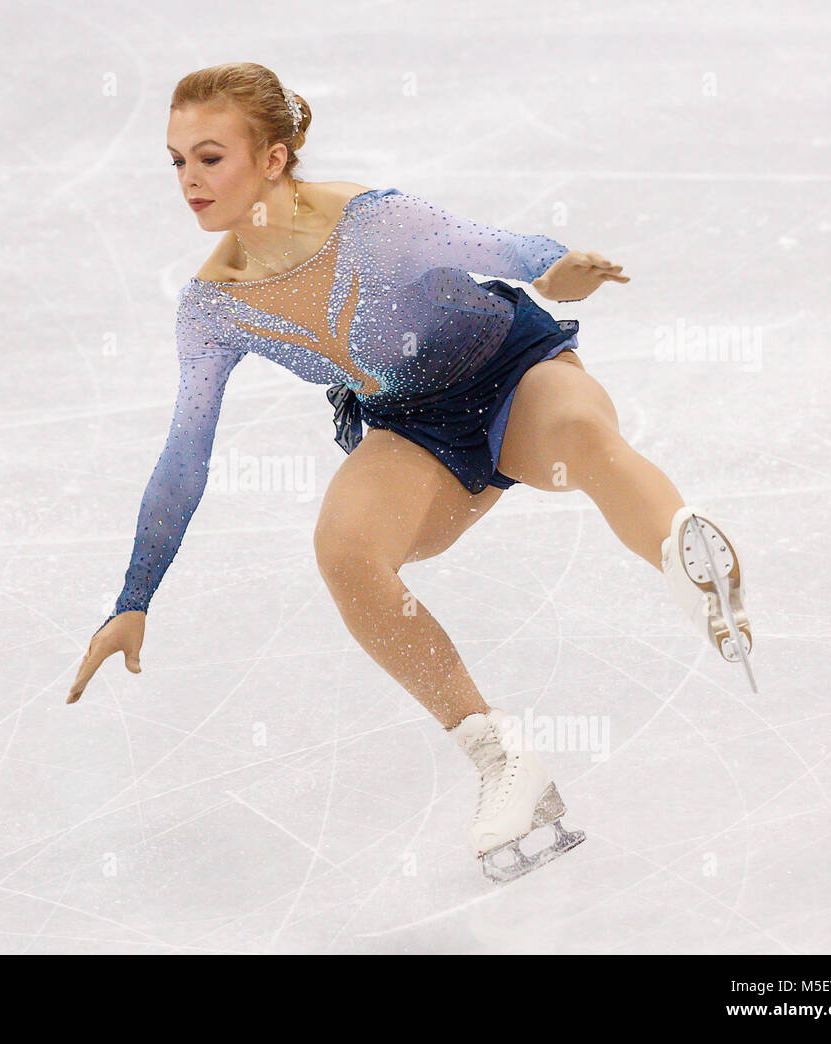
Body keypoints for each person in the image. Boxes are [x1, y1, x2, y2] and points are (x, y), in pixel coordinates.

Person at [68, 62, 753, 882]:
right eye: (176, 160)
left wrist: (561, 264)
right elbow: (185, 455)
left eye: (209, 157)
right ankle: (503, 757)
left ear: (275, 159)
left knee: (577, 433)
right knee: (345, 550)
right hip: (414, 427)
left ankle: (689, 559)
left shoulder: (375, 223)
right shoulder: (214, 306)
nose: (188, 180)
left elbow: (508, 251)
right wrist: (132, 599)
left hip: (512, 373)